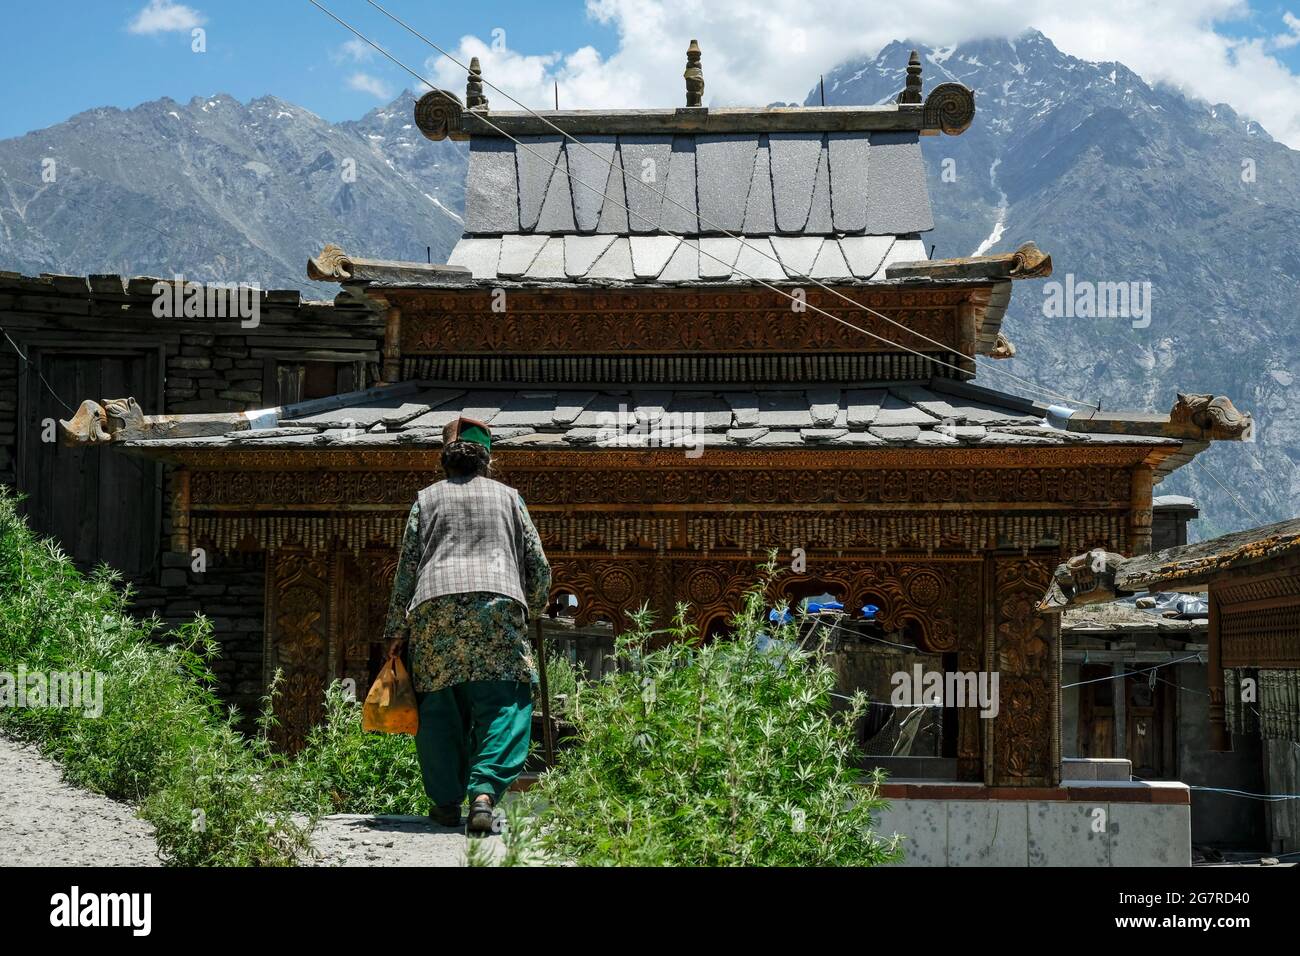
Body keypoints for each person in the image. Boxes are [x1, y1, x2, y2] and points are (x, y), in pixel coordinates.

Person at [382, 416, 551, 832]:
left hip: (434, 610)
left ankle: (443, 803)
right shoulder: (510, 498)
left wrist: (395, 632)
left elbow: (406, 570)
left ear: (444, 459)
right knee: (504, 703)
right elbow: (539, 566)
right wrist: (530, 606)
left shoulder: (426, 500)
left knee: (439, 707)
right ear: (486, 459)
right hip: (496, 606)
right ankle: (482, 795)